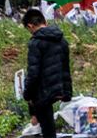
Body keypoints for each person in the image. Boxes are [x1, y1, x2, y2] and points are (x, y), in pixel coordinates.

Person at [24, 8, 72, 138]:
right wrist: (67, 91)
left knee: (47, 130)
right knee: (49, 127)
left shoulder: (36, 42)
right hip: (59, 88)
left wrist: (27, 94)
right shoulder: (62, 40)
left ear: (30, 26)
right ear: (44, 21)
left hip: (43, 92)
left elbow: (33, 74)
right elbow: (66, 68)